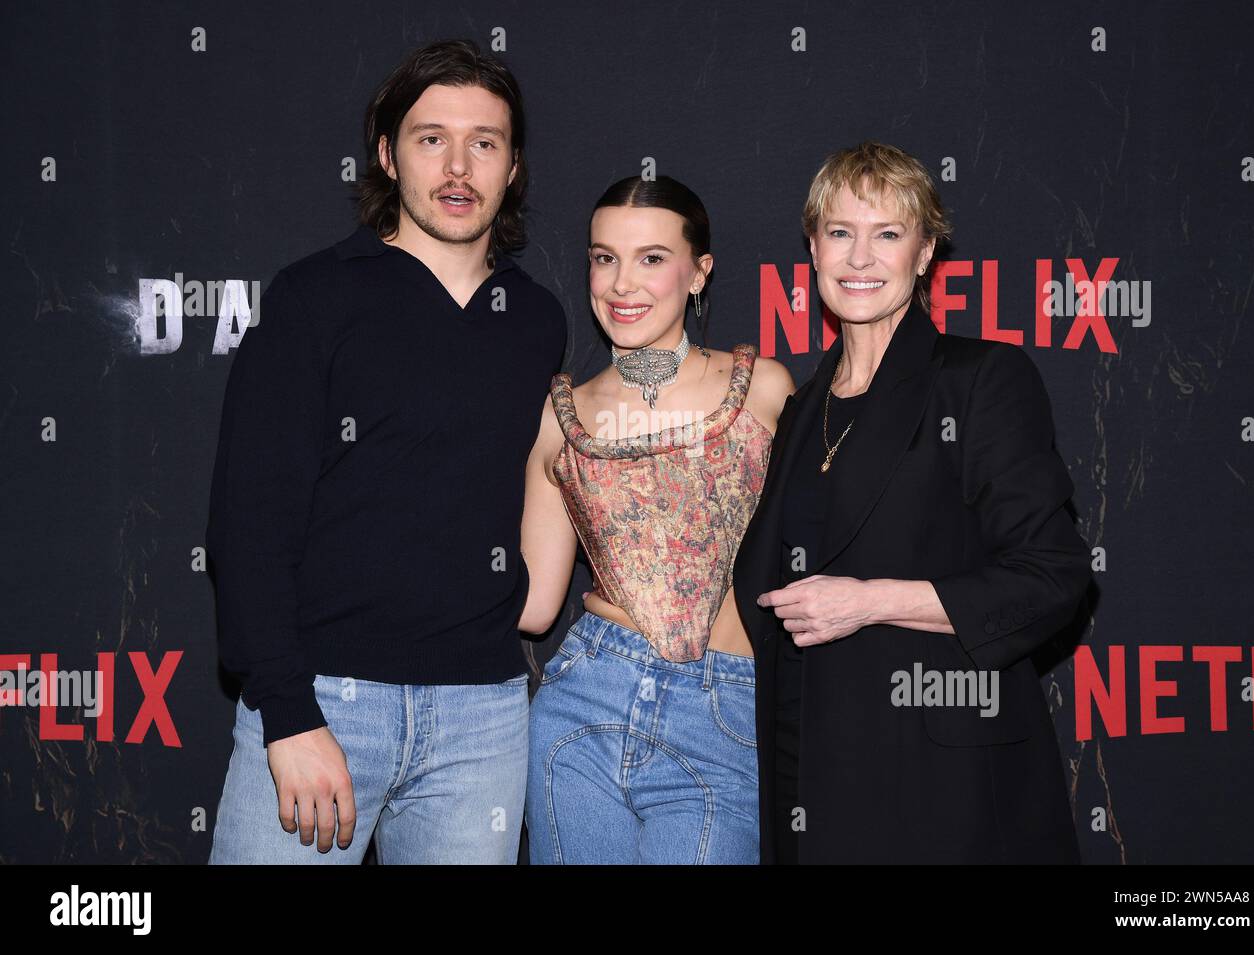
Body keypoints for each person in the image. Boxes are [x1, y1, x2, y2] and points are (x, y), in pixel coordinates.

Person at [206, 39, 566, 863]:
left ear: (513, 167)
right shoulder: (313, 298)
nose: (458, 164)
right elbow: (249, 521)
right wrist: (288, 710)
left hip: (484, 716)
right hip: (326, 698)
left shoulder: (538, 319)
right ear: (385, 154)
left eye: (485, 141)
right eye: (430, 137)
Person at [731, 141, 1093, 863]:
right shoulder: (802, 409)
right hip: (811, 782)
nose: (860, 258)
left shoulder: (980, 379)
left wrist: (870, 600)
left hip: (938, 791)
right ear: (812, 247)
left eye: (888, 234)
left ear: (924, 252)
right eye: (841, 232)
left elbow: (1054, 577)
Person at [517, 175, 795, 863]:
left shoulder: (764, 388)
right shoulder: (561, 418)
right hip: (582, 706)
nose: (621, 283)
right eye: (604, 257)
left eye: (651, 258)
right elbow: (532, 604)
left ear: (698, 272)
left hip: (723, 707)